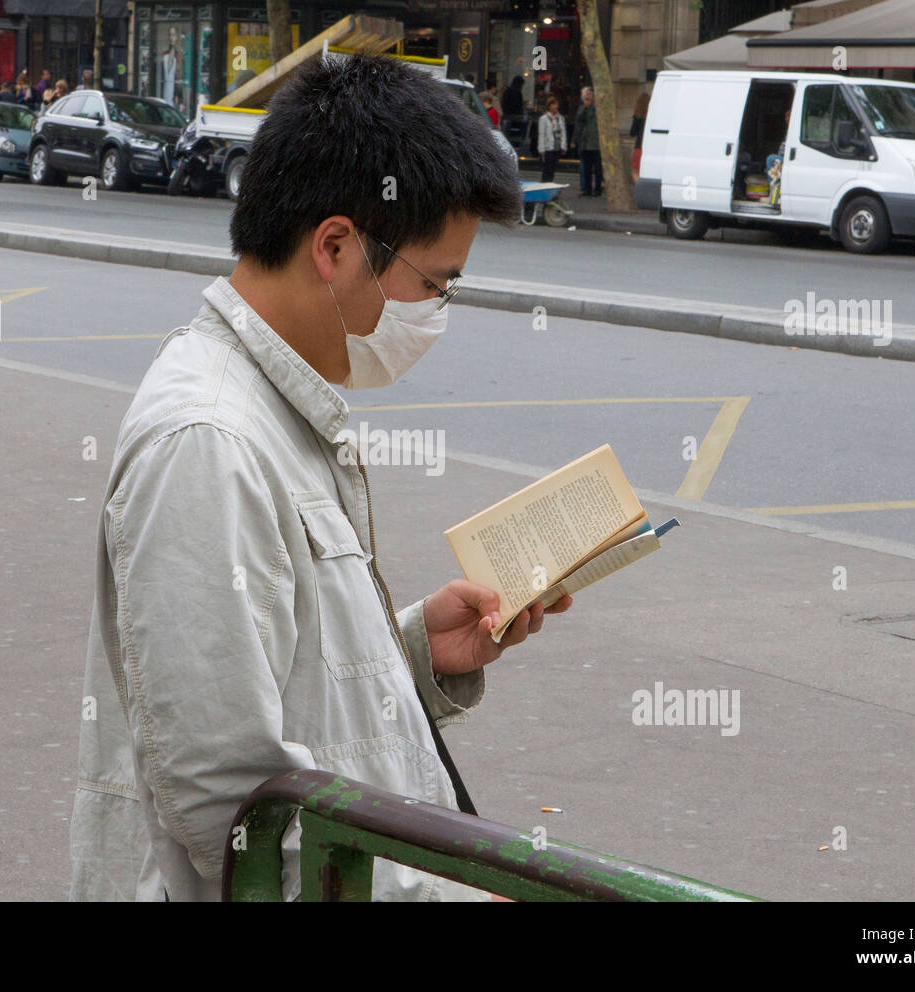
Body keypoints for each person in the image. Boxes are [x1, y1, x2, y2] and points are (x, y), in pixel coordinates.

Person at [68, 52, 565, 903]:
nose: (433, 316)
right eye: (433, 285)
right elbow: (238, 810)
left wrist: (416, 656)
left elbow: (277, 686)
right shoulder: (208, 443)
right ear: (334, 246)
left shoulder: (276, 408)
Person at [572, 86, 603, 197]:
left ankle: (598, 188)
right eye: (586, 96)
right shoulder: (582, 109)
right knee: (586, 168)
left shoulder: (598, 108)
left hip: (597, 144)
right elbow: (579, 121)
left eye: (590, 96)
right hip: (585, 143)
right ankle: (587, 189)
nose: (589, 98)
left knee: (598, 168)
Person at [537, 96, 566, 183]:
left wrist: (563, 146)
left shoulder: (560, 118)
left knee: (553, 168)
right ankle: (544, 183)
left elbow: (563, 133)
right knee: (547, 168)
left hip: (556, 146)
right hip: (548, 147)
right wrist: (541, 148)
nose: (555, 106)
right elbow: (541, 134)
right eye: (553, 104)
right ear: (549, 106)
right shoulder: (544, 118)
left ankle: (550, 183)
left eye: (556, 104)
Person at [629, 90, 650, 182]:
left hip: (638, 147)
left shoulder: (637, 117)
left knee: (635, 171)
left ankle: (638, 190)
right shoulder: (652, 117)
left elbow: (632, 132)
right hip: (649, 149)